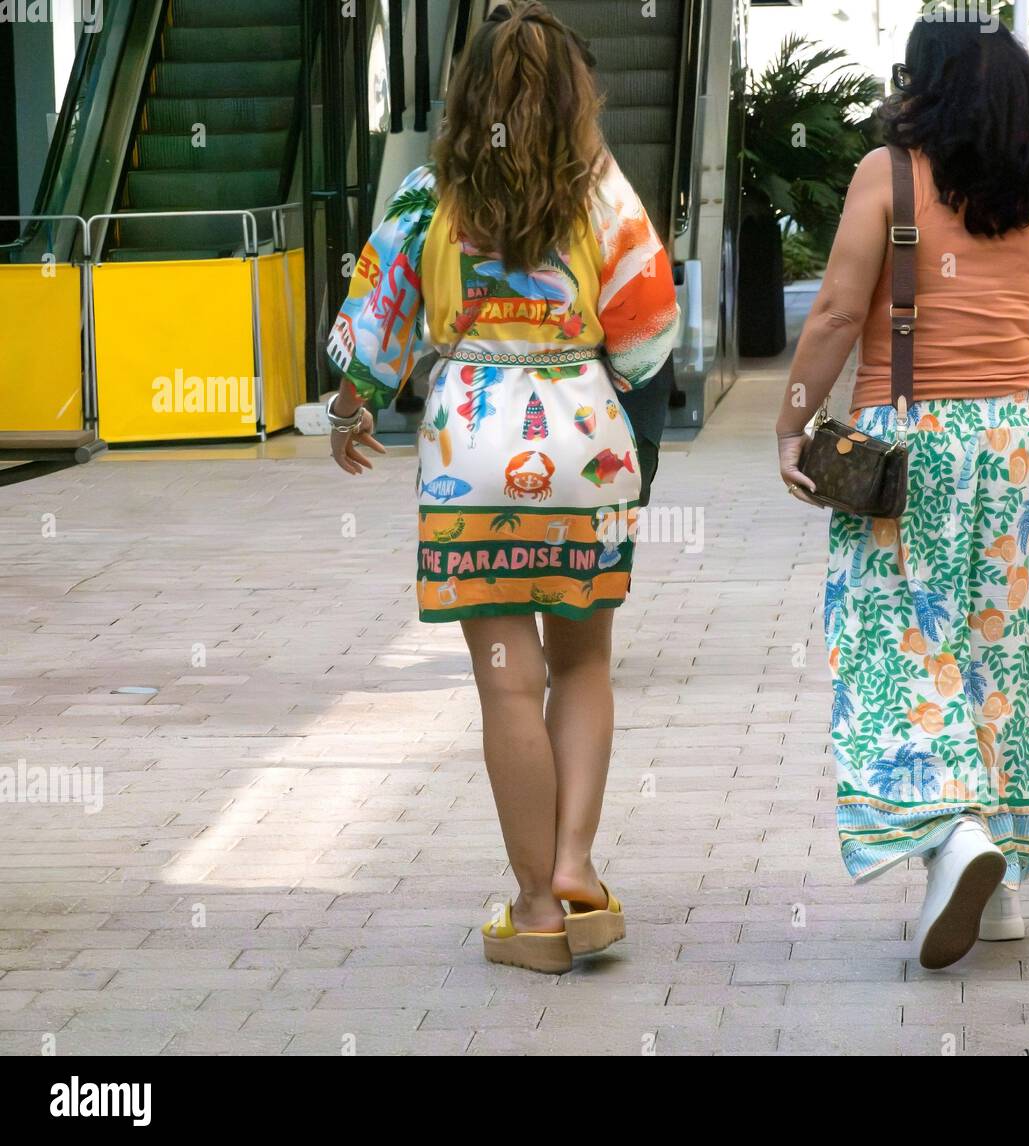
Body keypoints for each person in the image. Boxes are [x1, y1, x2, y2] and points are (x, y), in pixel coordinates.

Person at [324, 0, 679, 974]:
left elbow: (371, 328)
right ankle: (575, 865)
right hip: (583, 444)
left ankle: (534, 913)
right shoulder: (601, 191)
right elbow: (647, 341)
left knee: (506, 682)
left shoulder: (426, 195)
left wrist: (352, 411)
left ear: (468, 94)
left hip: (470, 447)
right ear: (573, 98)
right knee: (584, 666)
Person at [775, 19, 1029, 970]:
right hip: (1016, 447)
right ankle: (998, 886)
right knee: (1003, 648)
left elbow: (837, 313)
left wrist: (790, 422)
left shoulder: (888, 176)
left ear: (922, 88)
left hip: (908, 444)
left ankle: (954, 834)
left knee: (899, 641)